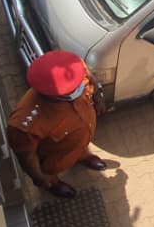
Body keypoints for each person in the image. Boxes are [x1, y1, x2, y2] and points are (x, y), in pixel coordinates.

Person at [6, 51, 110, 198]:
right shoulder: (24, 125)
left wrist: (98, 96)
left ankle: (83, 157)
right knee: (50, 174)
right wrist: (41, 179)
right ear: (51, 95)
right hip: (57, 158)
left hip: (80, 142)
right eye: (70, 91)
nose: (78, 89)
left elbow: (90, 79)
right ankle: (54, 184)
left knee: (81, 149)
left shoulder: (73, 69)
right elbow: (27, 157)